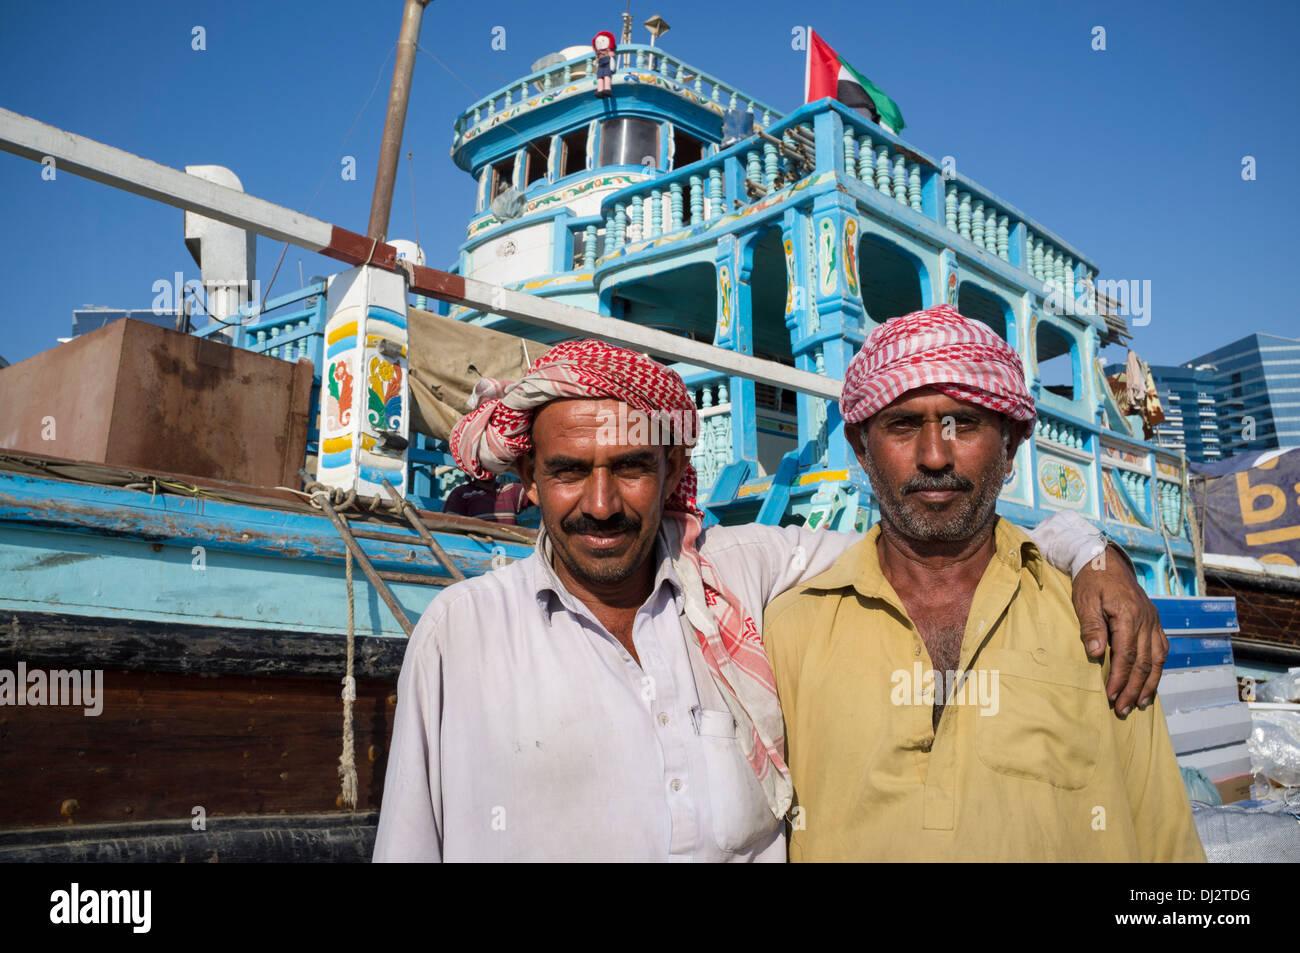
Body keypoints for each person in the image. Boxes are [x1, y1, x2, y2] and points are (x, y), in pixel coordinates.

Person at [373, 339, 1165, 862]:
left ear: (671, 466)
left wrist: (1086, 548)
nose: (603, 502)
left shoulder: (734, 577)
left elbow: (930, 535)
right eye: (571, 470)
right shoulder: (462, 634)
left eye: (632, 467)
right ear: (532, 480)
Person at [762, 305, 1204, 861]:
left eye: (963, 424)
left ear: (1012, 443)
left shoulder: (1094, 620)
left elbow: (1164, 839)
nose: (934, 456)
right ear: (861, 449)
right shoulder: (790, 631)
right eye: (902, 425)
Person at [443, 474, 531, 525]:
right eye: (480, 462)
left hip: (512, 552)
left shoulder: (511, 489)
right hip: (477, 552)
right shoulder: (462, 493)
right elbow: (450, 526)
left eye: (489, 463)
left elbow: (541, 493)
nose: (486, 468)